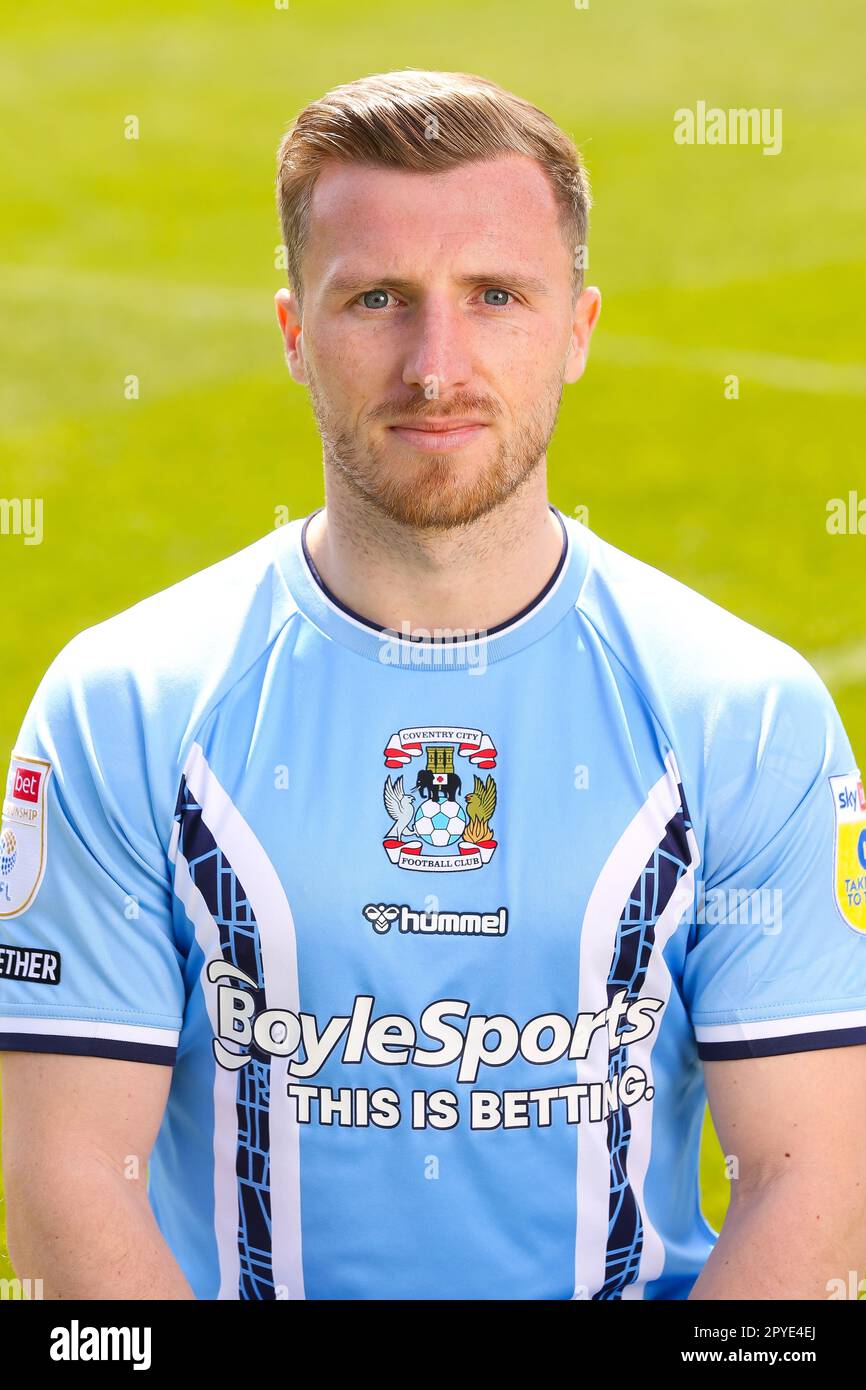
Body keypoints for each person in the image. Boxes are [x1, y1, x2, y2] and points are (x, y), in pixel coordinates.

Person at [2, 69, 865, 1302]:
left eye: (495, 296)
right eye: (378, 300)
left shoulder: (746, 711)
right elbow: (73, 1176)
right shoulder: (120, 705)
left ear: (577, 326)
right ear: (296, 332)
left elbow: (814, 1176)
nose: (434, 365)